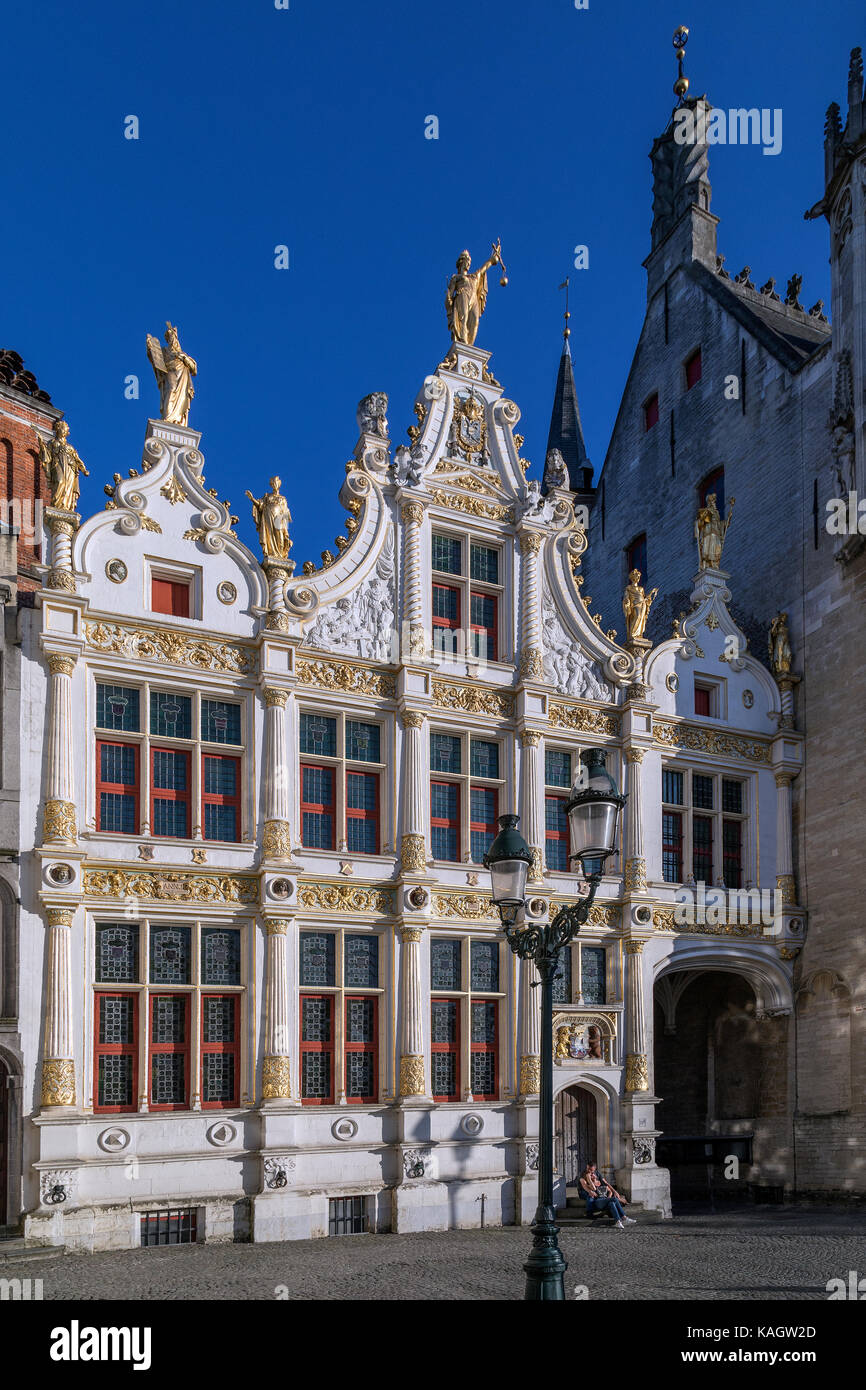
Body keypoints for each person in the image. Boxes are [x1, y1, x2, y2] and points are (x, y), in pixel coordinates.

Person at [578, 1162, 637, 1230]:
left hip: (604, 1200)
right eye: (589, 1170)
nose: (591, 1174)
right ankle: (624, 1217)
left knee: (611, 1203)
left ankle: (617, 1222)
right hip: (597, 1201)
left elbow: (609, 1189)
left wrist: (610, 1196)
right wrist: (589, 1180)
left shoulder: (600, 1183)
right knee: (614, 1199)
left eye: (592, 1172)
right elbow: (591, 1188)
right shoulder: (587, 1181)